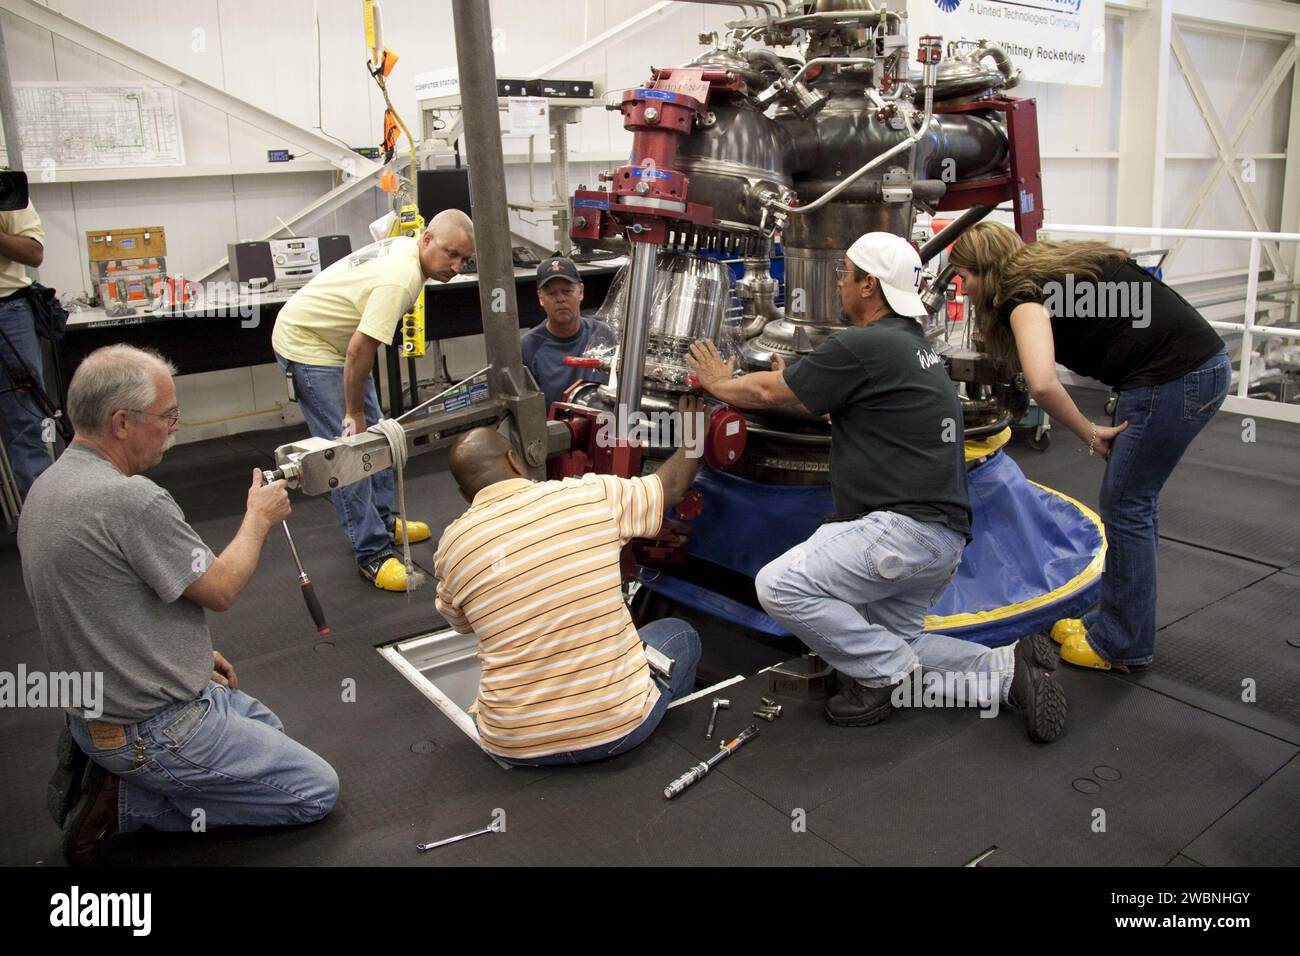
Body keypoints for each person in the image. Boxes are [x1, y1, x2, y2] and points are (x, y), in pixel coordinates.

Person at [687, 232, 1065, 741]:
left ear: (869, 285)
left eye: (845, 273)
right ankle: (1006, 672)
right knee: (893, 640)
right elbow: (812, 400)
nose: (840, 283)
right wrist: (795, 384)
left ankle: (886, 675)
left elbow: (760, 389)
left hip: (898, 531)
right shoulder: (912, 347)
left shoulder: (863, 344)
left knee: (781, 585)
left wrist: (717, 384)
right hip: (943, 541)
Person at [17, 345, 339, 865]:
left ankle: (121, 768)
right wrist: (258, 518)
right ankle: (124, 803)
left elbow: (100, 602)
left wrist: (183, 658)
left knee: (271, 734)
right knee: (314, 792)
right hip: (149, 728)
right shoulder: (133, 500)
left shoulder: (48, 486)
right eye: (167, 417)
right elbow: (220, 589)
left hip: (98, 712)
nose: (175, 428)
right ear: (122, 422)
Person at [948, 222, 1230, 672]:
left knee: (1127, 505)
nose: (961, 288)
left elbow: (1041, 384)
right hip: (1205, 366)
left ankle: (1120, 645)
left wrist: (1088, 431)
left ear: (986, 268)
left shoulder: (1022, 297)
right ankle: (1117, 621)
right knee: (1135, 503)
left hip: (1171, 381)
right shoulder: (1066, 264)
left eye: (965, 275)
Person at [433, 397, 709, 765]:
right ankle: (658, 761)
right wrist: (694, 432)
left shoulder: (452, 545)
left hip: (513, 746)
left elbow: (463, 625)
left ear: (464, 493)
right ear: (515, 460)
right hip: (618, 731)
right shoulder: (591, 495)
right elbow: (671, 487)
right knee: (679, 634)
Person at [271, 209, 476, 591]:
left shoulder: (408, 249)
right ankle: (372, 553)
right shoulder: (401, 279)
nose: (457, 267)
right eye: (451, 254)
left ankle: (382, 521)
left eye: (465, 259)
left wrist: (362, 415)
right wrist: (351, 415)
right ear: (427, 240)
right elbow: (359, 349)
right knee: (346, 452)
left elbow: (359, 348)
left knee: (377, 437)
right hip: (309, 345)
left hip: (335, 342)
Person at [0, 196, 52, 498]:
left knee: (28, 418)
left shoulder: (7, 193)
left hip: (8, 310)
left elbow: (33, 253)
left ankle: (41, 519)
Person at [521, 254, 615, 409]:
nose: (560, 299)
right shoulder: (528, 347)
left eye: (567, 291)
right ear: (541, 298)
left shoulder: (602, 334)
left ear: (581, 292)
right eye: (552, 293)